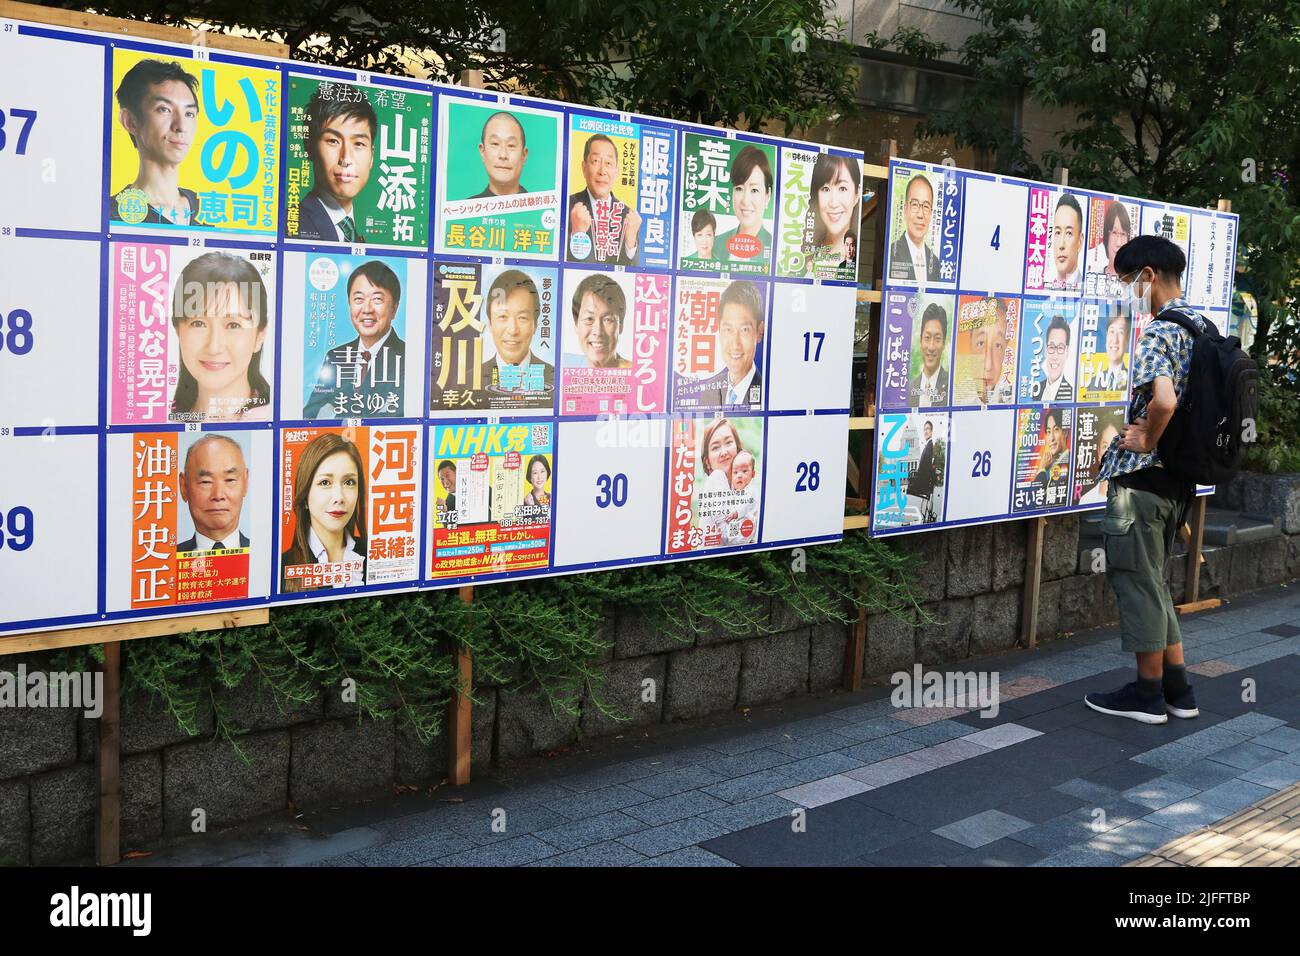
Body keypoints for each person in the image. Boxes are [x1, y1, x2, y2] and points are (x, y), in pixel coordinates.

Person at [1084, 234, 1205, 724]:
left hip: (1144, 482)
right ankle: (1179, 690)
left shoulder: (1159, 331)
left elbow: (1165, 402)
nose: (1125, 291)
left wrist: (1146, 440)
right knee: (1154, 584)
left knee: (1137, 583)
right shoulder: (1200, 325)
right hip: (1179, 481)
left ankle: (1146, 694)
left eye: (1126, 281)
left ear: (1149, 276)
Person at [170, 252, 272, 422]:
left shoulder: (273, 417)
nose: (214, 347)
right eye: (198, 323)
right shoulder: (163, 421)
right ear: (178, 330)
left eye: (233, 325)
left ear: (260, 335)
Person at [303, 260, 405, 419]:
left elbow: (398, 415)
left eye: (377, 299)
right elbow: (311, 413)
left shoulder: (408, 357)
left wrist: (335, 414)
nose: (367, 309)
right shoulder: (336, 356)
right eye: (359, 299)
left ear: (394, 308)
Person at [111, 59, 206, 227]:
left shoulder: (206, 213)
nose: (181, 126)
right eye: (164, 109)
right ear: (130, 121)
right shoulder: (112, 216)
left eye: (189, 113)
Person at [280, 432, 367, 592]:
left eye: (349, 482)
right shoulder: (282, 567)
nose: (339, 497)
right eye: (325, 482)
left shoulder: (373, 553)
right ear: (305, 494)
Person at [295, 85, 377, 243]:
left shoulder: (358, 238)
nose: (346, 158)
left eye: (359, 143)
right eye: (333, 141)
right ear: (309, 146)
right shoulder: (289, 226)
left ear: (372, 155)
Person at [567, 134, 641, 264]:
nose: (602, 171)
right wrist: (577, 235)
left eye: (608, 163)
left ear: (617, 172)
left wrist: (630, 245)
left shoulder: (629, 217)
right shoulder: (567, 206)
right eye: (596, 161)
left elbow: (634, 273)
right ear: (584, 168)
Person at [480, 269, 554, 394]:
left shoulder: (555, 379)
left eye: (522, 318)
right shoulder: (469, 380)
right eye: (503, 316)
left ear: (535, 325)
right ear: (490, 324)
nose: (513, 330)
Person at [694, 280, 764, 408]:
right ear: (719, 329)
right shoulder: (709, 392)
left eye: (744, 330)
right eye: (728, 329)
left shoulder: (768, 392)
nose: (735, 344)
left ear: (759, 331)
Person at [176, 434, 251, 552]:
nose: (218, 495)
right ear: (184, 487)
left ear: (245, 483)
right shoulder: (164, 562)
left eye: (230, 480)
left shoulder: (264, 554)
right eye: (206, 482)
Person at [714, 146, 773, 264]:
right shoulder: (716, 244)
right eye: (739, 188)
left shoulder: (775, 247)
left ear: (767, 196)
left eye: (754, 190)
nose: (745, 201)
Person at [808, 154, 861, 269]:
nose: (833, 203)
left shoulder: (857, 262)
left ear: (857, 194)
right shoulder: (802, 258)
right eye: (825, 189)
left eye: (842, 188)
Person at [567, 274, 631, 368]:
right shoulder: (563, 366)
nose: (598, 332)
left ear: (621, 325)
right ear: (576, 324)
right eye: (589, 319)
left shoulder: (637, 374)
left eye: (608, 319)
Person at [889, 174, 940, 282]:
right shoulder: (891, 254)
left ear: (931, 213)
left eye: (926, 206)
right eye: (915, 205)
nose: (920, 215)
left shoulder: (935, 263)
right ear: (905, 209)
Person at [472, 111, 528, 198]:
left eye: (511, 145)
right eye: (495, 144)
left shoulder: (541, 208)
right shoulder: (467, 209)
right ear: (482, 152)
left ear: (524, 155)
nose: (503, 155)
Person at [971, 297, 1013, 405]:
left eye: (998, 345)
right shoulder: (955, 396)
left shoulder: (1012, 397)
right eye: (981, 343)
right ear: (970, 342)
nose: (988, 366)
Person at [907, 303, 949, 407]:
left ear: (943, 343)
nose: (931, 347)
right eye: (927, 337)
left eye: (937, 339)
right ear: (921, 340)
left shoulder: (952, 386)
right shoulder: (908, 389)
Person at [719, 450, 759, 545]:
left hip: (746, 532)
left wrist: (735, 513)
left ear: (753, 474)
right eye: (735, 472)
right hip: (734, 532)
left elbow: (745, 505)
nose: (739, 475)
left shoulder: (751, 490)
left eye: (744, 471)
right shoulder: (734, 492)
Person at [1087, 200, 1132, 282]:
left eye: (1123, 234)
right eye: (1114, 233)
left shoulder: (1134, 283)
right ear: (1106, 237)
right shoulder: (1094, 279)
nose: (1119, 243)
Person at [1086, 310, 1130, 392]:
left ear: (1127, 338)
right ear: (1106, 335)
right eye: (1112, 331)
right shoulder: (1092, 383)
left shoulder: (1132, 380)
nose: (1115, 340)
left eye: (1121, 332)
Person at [1046, 194, 1084, 290]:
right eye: (1058, 232)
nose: (1061, 245)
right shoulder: (1044, 287)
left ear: (1080, 241)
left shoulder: (1085, 288)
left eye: (1068, 233)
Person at [1078, 422, 1120, 505]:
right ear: (1098, 451)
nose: (1109, 452)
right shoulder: (1086, 500)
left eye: (1115, 445)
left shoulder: (1128, 498)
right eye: (1105, 446)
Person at [1037, 315, 1074, 402]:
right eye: (1052, 347)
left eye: (1060, 348)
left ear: (1067, 352)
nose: (1055, 356)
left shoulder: (1072, 394)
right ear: (1046, 350)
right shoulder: (1034, 389)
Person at [909, 420, 938, 506]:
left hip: (923, 482)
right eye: (924, 429)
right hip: (923, 479)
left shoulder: (930, 446)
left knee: (908, 488)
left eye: (928, 429)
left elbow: (926, 467)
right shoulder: (928, 445)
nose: (925, 431)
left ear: (932, 431)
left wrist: (916, 478)